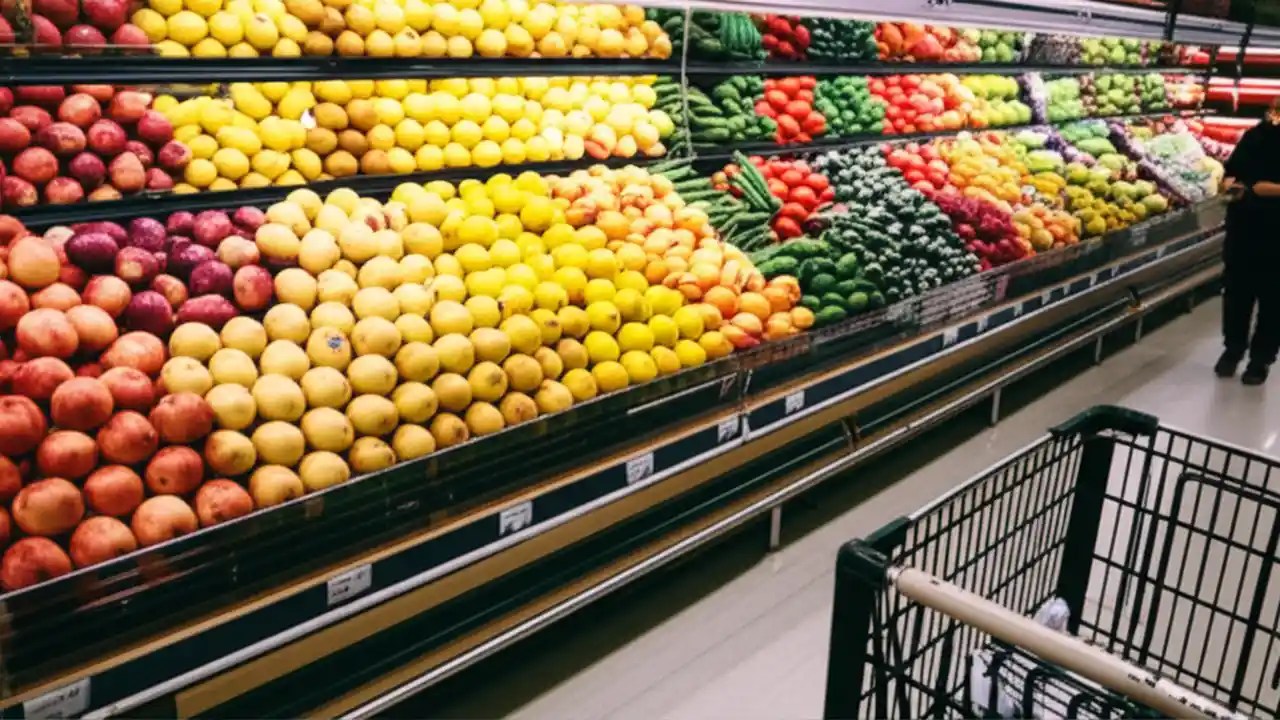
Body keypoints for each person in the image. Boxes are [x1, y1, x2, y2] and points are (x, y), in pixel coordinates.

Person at [1218, 99, 1280, 385]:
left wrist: (1269, 189)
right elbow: (1233, 170)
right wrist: (1230, 183)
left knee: (1273, 300)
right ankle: (1233, 349)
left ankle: (1260, 359)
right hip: (1244, 227)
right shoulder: (1254, 136)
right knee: (1236, 292)